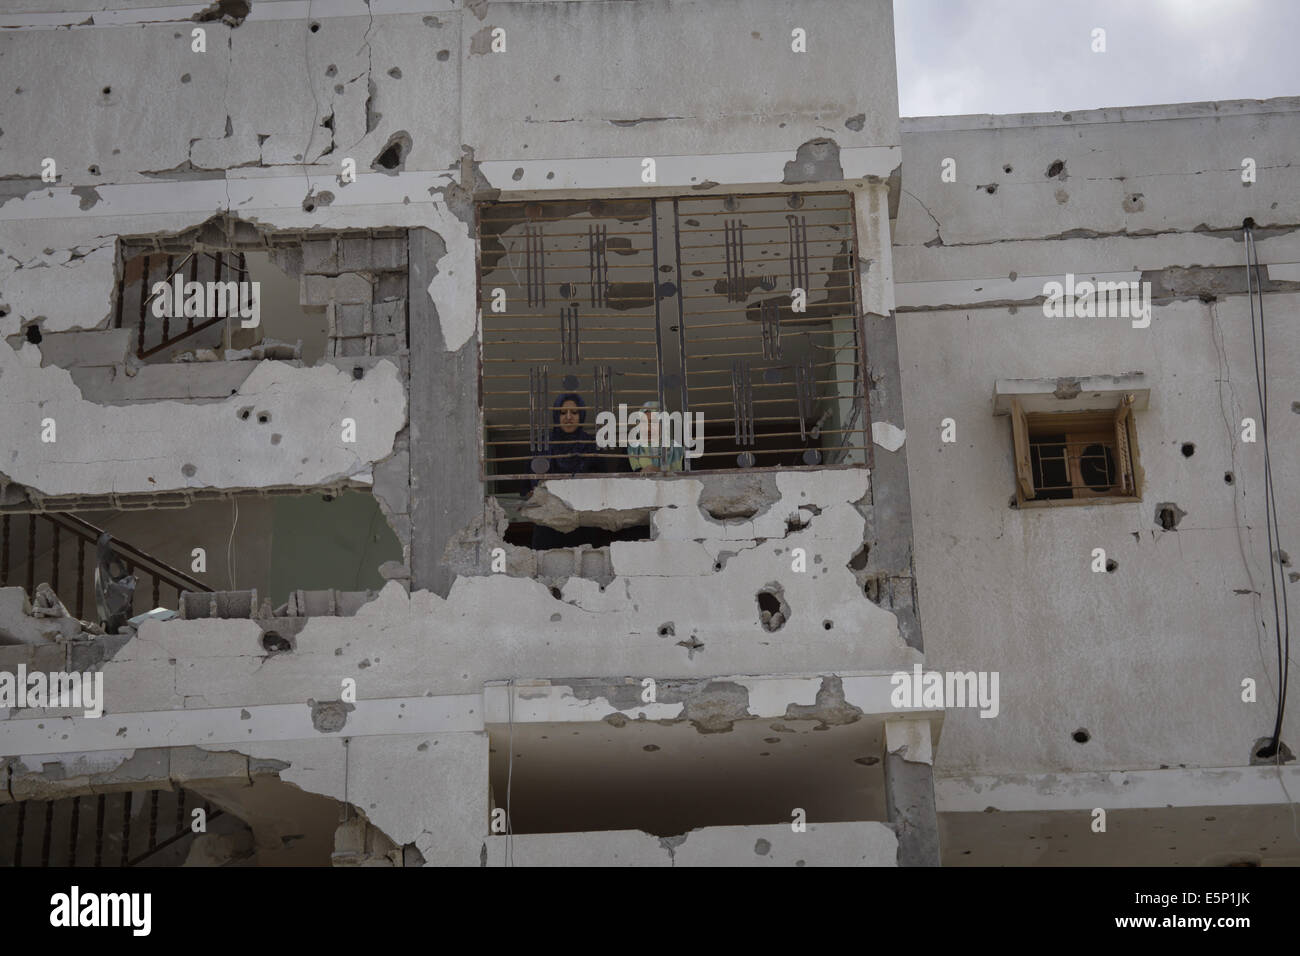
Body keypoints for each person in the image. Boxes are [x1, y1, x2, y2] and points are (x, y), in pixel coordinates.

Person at [530, 392, 598, 548]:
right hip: (549, 521)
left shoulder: (590, 444)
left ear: (581, 415)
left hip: (583, 520)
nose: (568, 417)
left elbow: (600, 480)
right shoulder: (544, 444)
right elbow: (534, 481)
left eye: (574, 412)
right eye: (562, 413)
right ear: (556, 415)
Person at [628, 400, 684, 473]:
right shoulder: (633, 448)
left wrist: (659, 472)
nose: (648, 428)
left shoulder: (677, 449)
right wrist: (642, 471)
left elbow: (686, 478)